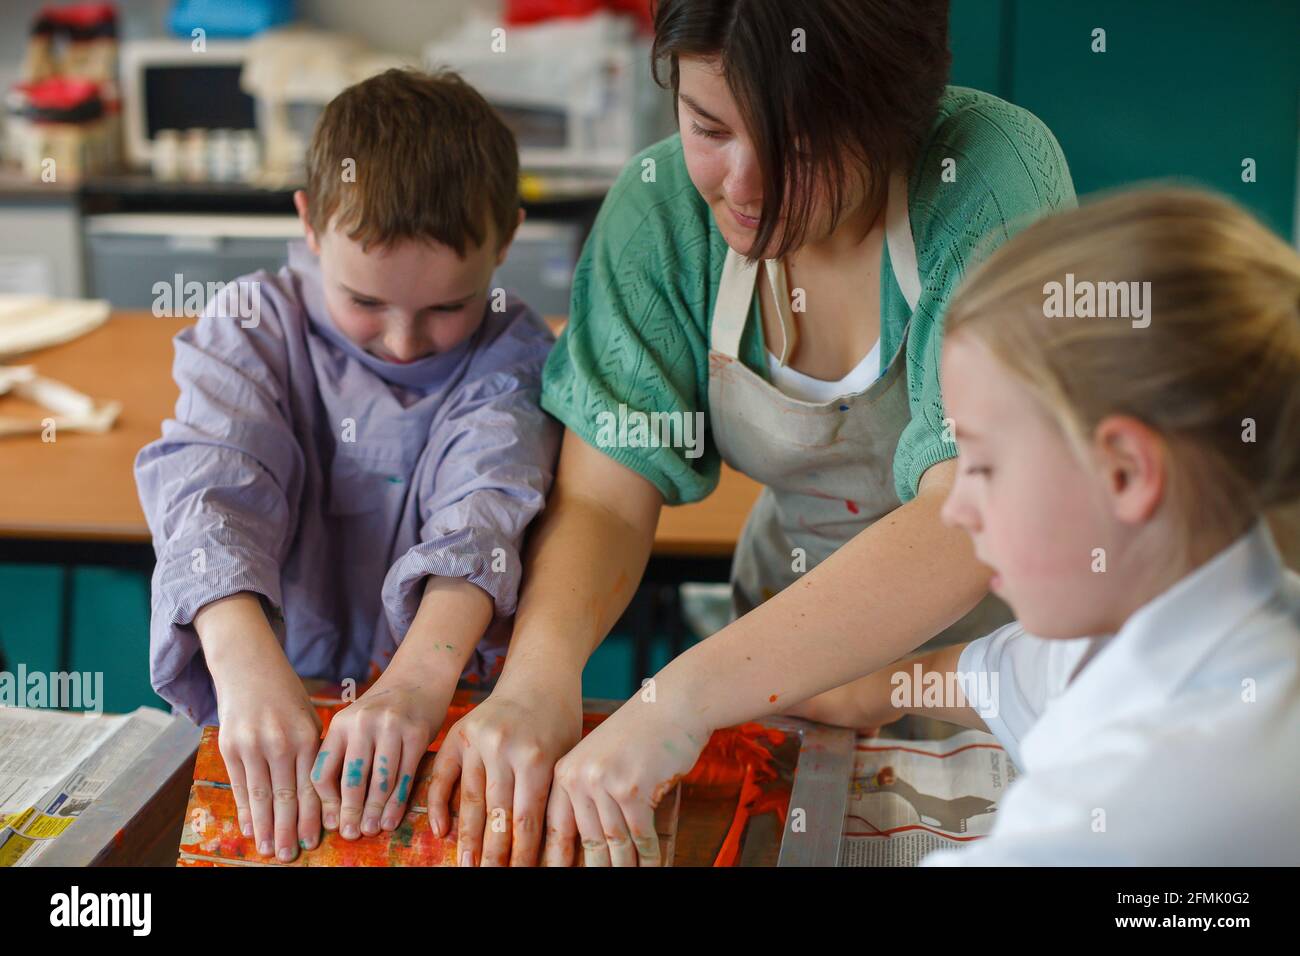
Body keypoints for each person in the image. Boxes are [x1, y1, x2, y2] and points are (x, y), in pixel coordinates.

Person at [423, 0, 1075, 866]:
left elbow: (968, 512)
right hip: (781, 652)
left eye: (799, 152)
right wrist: (539, 679)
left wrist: (678, 702)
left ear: (897, 119)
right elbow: (607, 497)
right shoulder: (660, 215)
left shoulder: (987, 181)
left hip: (1007, 657)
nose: (742, 188)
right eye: (708, 128)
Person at [798, 187, 1300, 864]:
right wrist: (872, 687)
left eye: (983, 463)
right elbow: (1011, 675)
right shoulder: (1197, 615)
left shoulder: (1161, 786)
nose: (956, 507)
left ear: (1123, 473)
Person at [134, 69, 560, 864]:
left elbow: (484, 514)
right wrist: (240, 659)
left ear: (506, 242)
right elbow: (210, 490)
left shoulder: (513, 356)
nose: (403, 343)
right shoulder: (253, 324)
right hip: (267, 689)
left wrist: (415, 688)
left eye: (445, 308)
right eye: (364, 301)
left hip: (443, 701)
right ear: (309, 225)